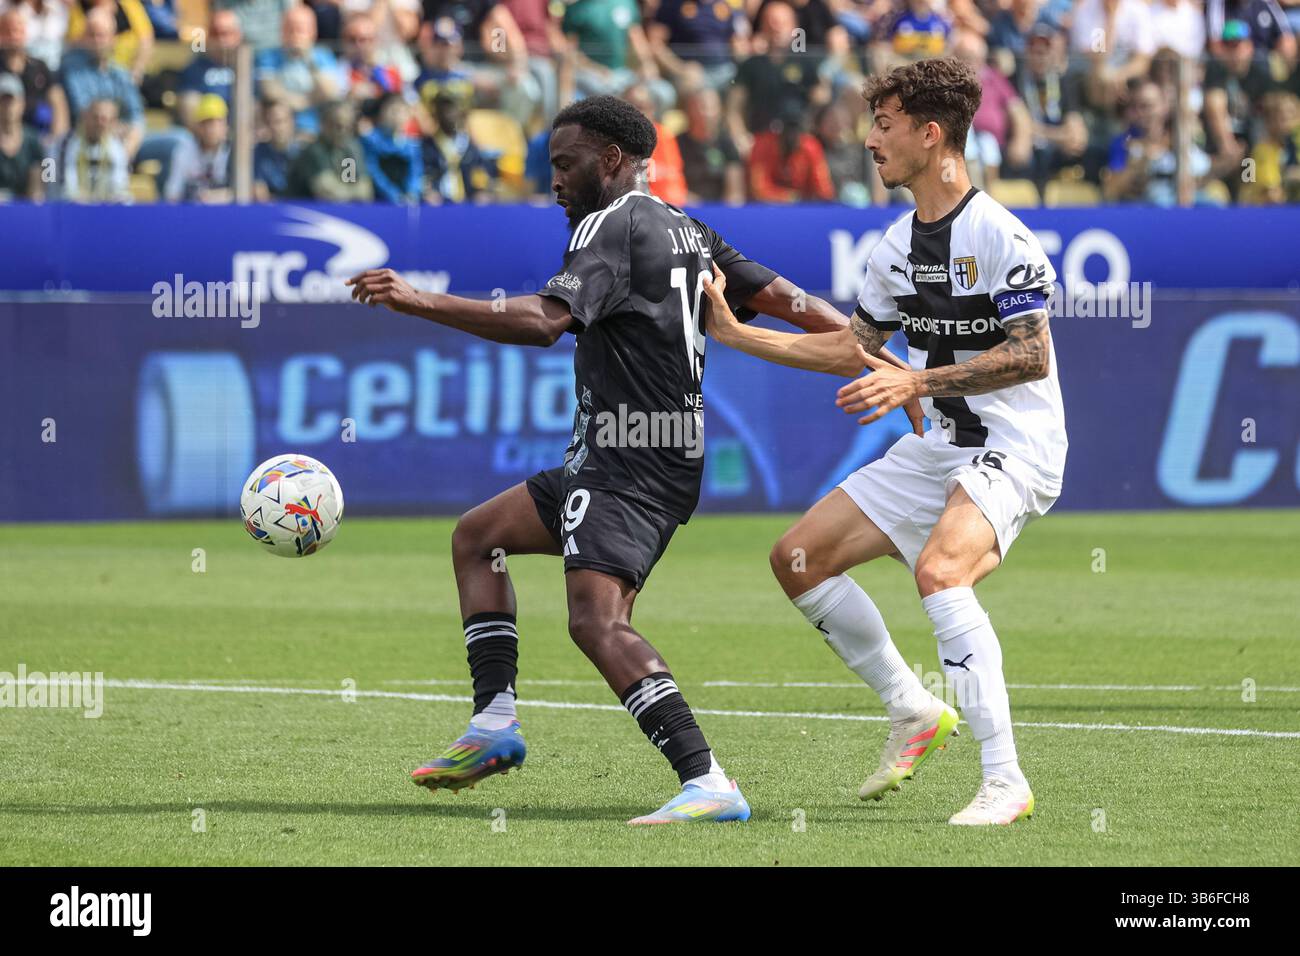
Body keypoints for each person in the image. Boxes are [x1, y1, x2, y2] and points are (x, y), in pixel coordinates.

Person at [344, 95, 913, 824]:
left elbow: (546, 320)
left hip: (630, 461)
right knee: (478, 536)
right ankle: (493, 725)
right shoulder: (685, 228)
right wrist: (880, 359)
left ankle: (707, 781)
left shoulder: (612, 224)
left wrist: (418, 300)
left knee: (596, 622)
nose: (552, 179)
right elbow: (784, 299)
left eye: (564, 163)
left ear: (611, 159)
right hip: (630, 457)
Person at [701, 57, 1065, 826]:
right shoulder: (895, 246)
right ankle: (912, 707)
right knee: (797, 559)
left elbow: (1030, 355)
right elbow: (849, 348)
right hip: (944, 444)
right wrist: (738, 334)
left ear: (932, 137)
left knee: (940, 573)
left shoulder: (1002, 235)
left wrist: (914, 385)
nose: (870, 140)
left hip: (1018, 442)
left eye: (885, 125)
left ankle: (1005, 781)